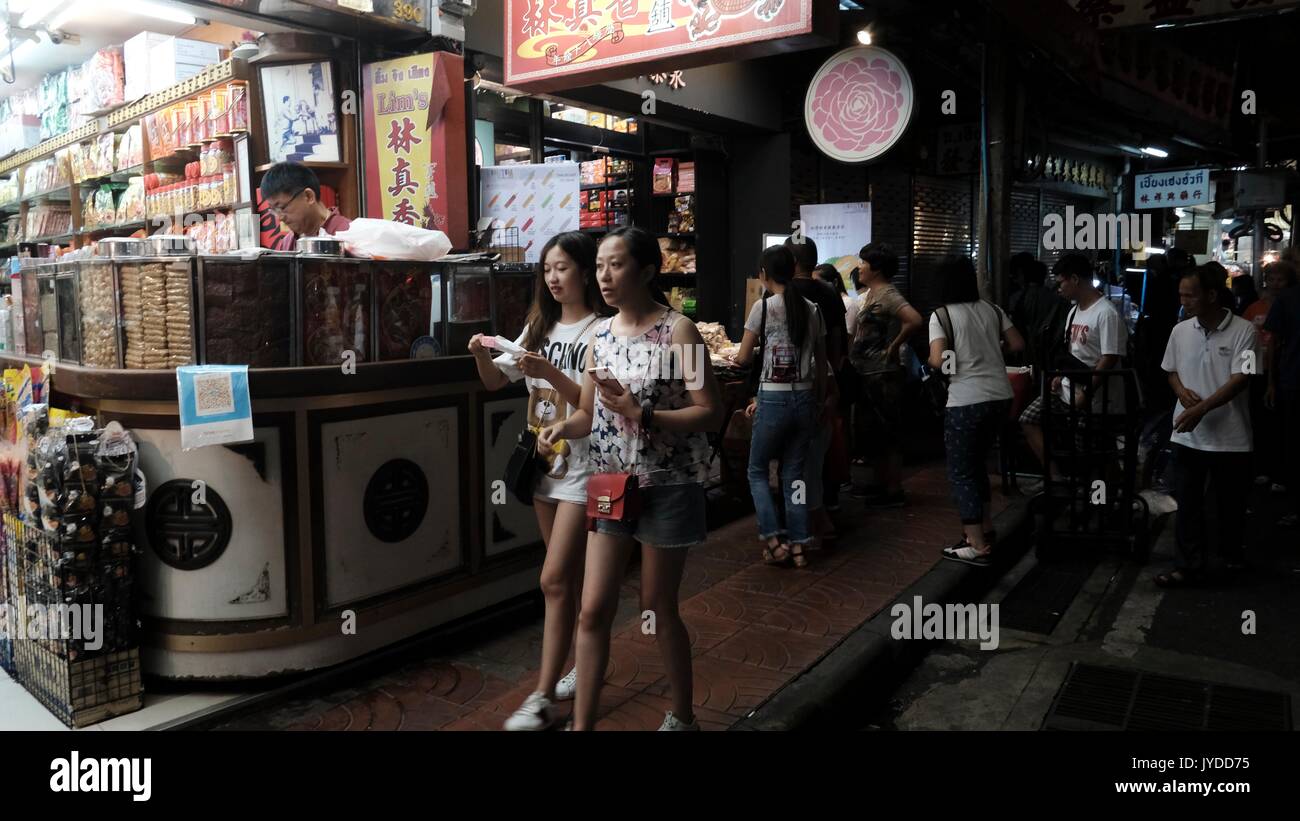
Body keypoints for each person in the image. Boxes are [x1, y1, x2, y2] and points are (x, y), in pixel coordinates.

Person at [539, 226, 723, 731]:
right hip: (609, 484)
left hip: (667, 484)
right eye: (598, 265)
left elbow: (709, 410)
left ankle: (683, 716)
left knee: (657, 607)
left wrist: (645, 415)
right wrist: (560, 428)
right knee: (593, 609)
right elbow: (589, 414)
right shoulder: (598, 336)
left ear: (645, 271)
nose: (603, 275)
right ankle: (582, 726)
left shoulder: (678, 331)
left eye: (615, 265)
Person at [468, 231, 609, 730]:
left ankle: (542, 694)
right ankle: (571, 668)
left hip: (585, 468)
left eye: (563, 267)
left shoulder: (602, 330)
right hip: (544, 466)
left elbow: (590, 409)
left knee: (551, 578)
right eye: (547, 269)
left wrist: (547, 368)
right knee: (561, 582)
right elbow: (493, 381)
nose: (552, 277)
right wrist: (482, 352)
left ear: (587, 272)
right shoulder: (537, 324)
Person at [1154, 265, 1257, 587]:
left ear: (1212, 295)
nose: (1184, 300)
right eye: (1181, 294)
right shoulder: (1180, 330)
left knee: (1230, 505)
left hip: (1231, 438)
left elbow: (1243, 378)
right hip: (1187, 434)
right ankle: (1188, 565)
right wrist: (1181, 392)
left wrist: (1202, 407)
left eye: (1190, 294)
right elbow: (1170, 370)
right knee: (1188, 505)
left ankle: (1231, 557)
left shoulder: (1245, 331)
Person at [928, 257, 1025, 566]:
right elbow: (1017, 343)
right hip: (1001, 397)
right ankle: (984, 528)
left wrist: (953, 363)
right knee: (977, 464)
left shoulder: (941, 316)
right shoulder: (992, 309)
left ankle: (977, 545)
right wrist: (990, 353)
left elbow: (938, 360)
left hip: (966, 399)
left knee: (961, 471)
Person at [734, 246, 827, 568]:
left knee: (757, 471)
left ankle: (774, 540)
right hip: (805, 397)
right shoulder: (811, 308)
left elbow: (744, 358)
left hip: (773, 398)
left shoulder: (763, 307)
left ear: (763, 273)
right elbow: (822, 361)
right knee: (794, 475)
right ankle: (800, 544)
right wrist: (820, 399)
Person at [1019, 254, 1128, 477]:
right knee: (1028, 419)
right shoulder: (1073, 311)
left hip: (1097, 399)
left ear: (1075, 279)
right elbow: (1072, 352)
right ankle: (1056, 479)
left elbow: (1109, 359)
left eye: (1061, 282)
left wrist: (1087, 393)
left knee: (1094, 454)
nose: (1058, 288)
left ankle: (1106, 498)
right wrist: (1060, 376)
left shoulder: (1106, 313)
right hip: (1067, 391)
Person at [849, 242, 924, 505]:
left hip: (883, 373)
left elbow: (914, 319)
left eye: (863, 263)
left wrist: (893, 345)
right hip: (868, 372)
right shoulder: (871, 292)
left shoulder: (888, 294)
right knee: (874, 432)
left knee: (889, 432)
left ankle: (893, 490)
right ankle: (879, 484)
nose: (859, 267)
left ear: (876, 269)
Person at [784, 237, 845, 533]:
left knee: (792, 457)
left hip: (789, 387)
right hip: (824, 380)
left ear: (791, 262)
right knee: (822, 449)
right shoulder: (830, 292)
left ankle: (801, 521)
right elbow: (837, 340)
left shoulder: (783, 294)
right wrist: (833, 379)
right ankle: (825, 504)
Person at [1244, 261, 1297, 488]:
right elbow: (1245, 342)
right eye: (1272, 279)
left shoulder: (1288, 306)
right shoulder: (1254, 308)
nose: (1275, 284)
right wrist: (1245, 373)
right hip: (1256, 370)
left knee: (1277, 425)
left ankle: (1277, 471)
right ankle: (1261, 467)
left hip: (1278, 371)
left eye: (1280, 279)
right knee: (1257, 421)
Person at [1264, 261, 1300, 527]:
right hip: (1292, 378)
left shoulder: (1287, 299)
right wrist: (1271, 382)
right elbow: (1272, 343)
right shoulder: (1288, 299)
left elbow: (1274, 342)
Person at [259, 162, 352, 251]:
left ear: (308, 196)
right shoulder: (287, 243)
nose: (280, 218)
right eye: (274, 211)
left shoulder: (347, 234)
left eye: (282, 208)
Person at [815, 262, 857, 337]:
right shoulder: (827, 302)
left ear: (835, 282)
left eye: (819, 283)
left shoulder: (848, 303)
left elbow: (847, 338)